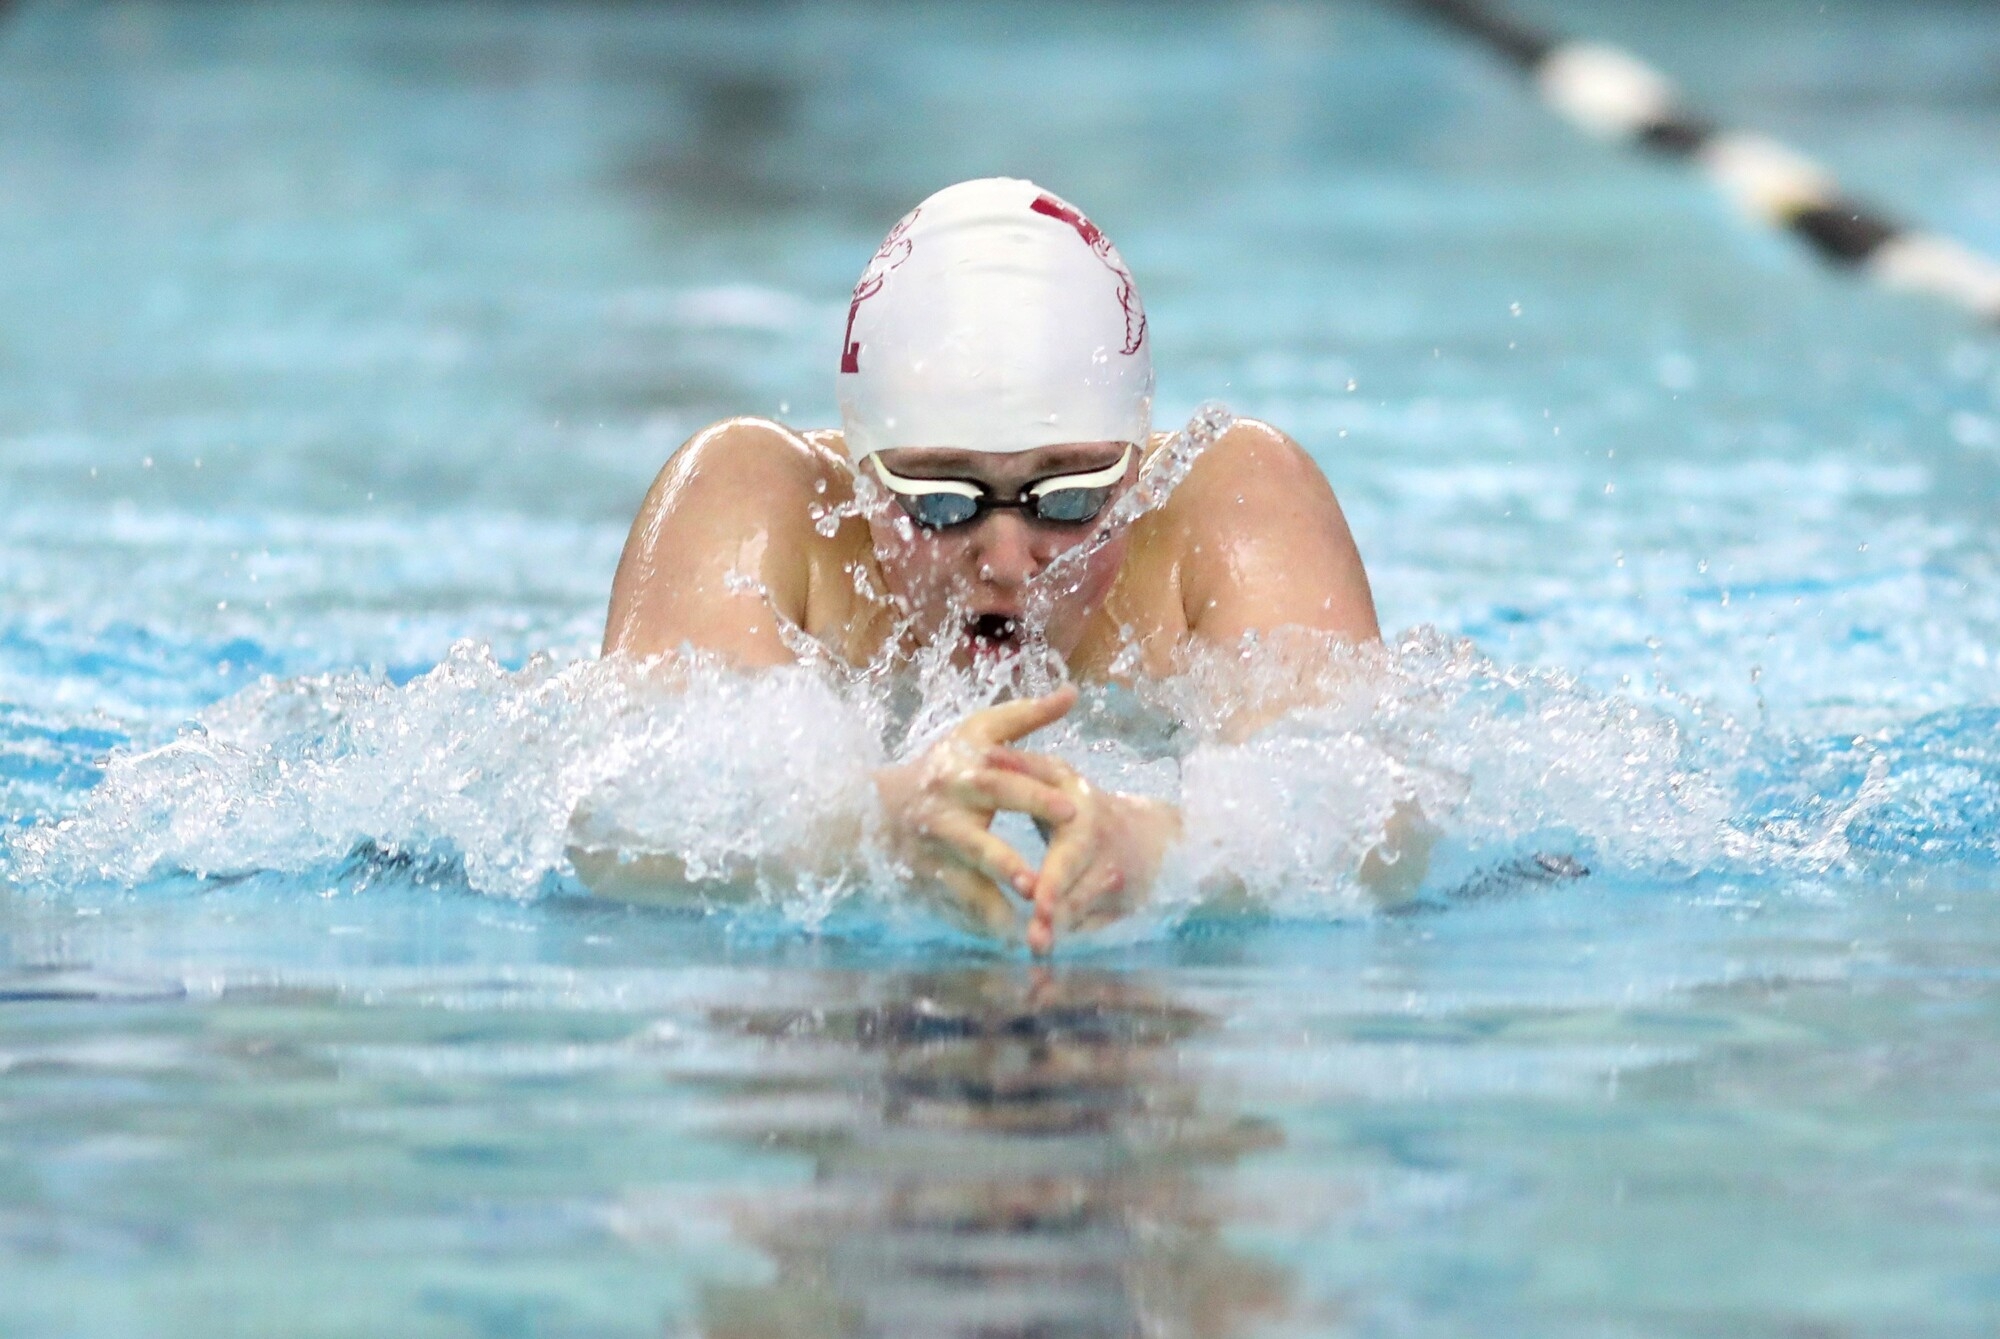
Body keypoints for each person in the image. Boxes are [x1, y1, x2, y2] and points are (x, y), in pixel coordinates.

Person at [598, 177, 1400, 953]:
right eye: (942, 501)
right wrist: (867, 829)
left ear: (1134, 472)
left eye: (1069, 498)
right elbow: (618, 820)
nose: (1009, 562)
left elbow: (1379, 822)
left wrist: (1167, 850)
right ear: (863, 473)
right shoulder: (753, 502)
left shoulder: (1230, 506)